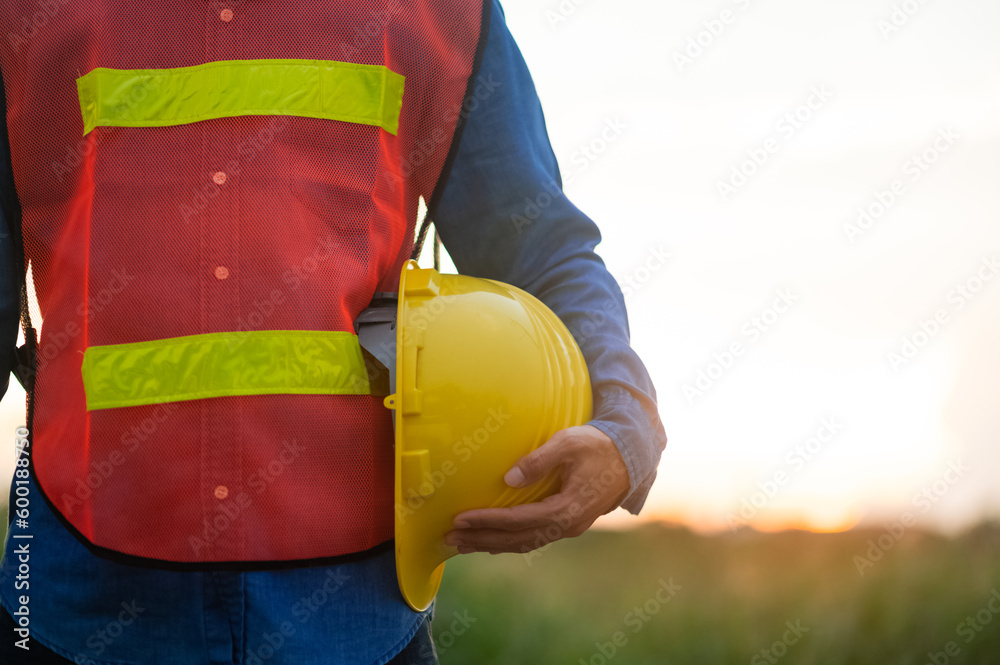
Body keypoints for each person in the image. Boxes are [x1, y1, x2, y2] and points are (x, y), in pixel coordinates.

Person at [0, 1, 666, 663]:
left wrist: (624, 427)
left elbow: (542, 248)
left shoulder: (442, 11)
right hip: (74, 597)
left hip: (357, 613)